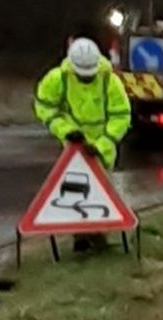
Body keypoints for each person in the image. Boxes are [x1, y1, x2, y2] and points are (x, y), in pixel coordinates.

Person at [34, 38, 132, 251]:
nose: (85, 79)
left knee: (101, 194)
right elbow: (45, 108)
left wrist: (101, 145)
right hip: (72, 147)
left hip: (102, 147)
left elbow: (121, 116)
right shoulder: (58, 79)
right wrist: (67, 132)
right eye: (81, 76)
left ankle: (98, 236)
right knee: (75, 193)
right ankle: (81, 237)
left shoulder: (110, 80)